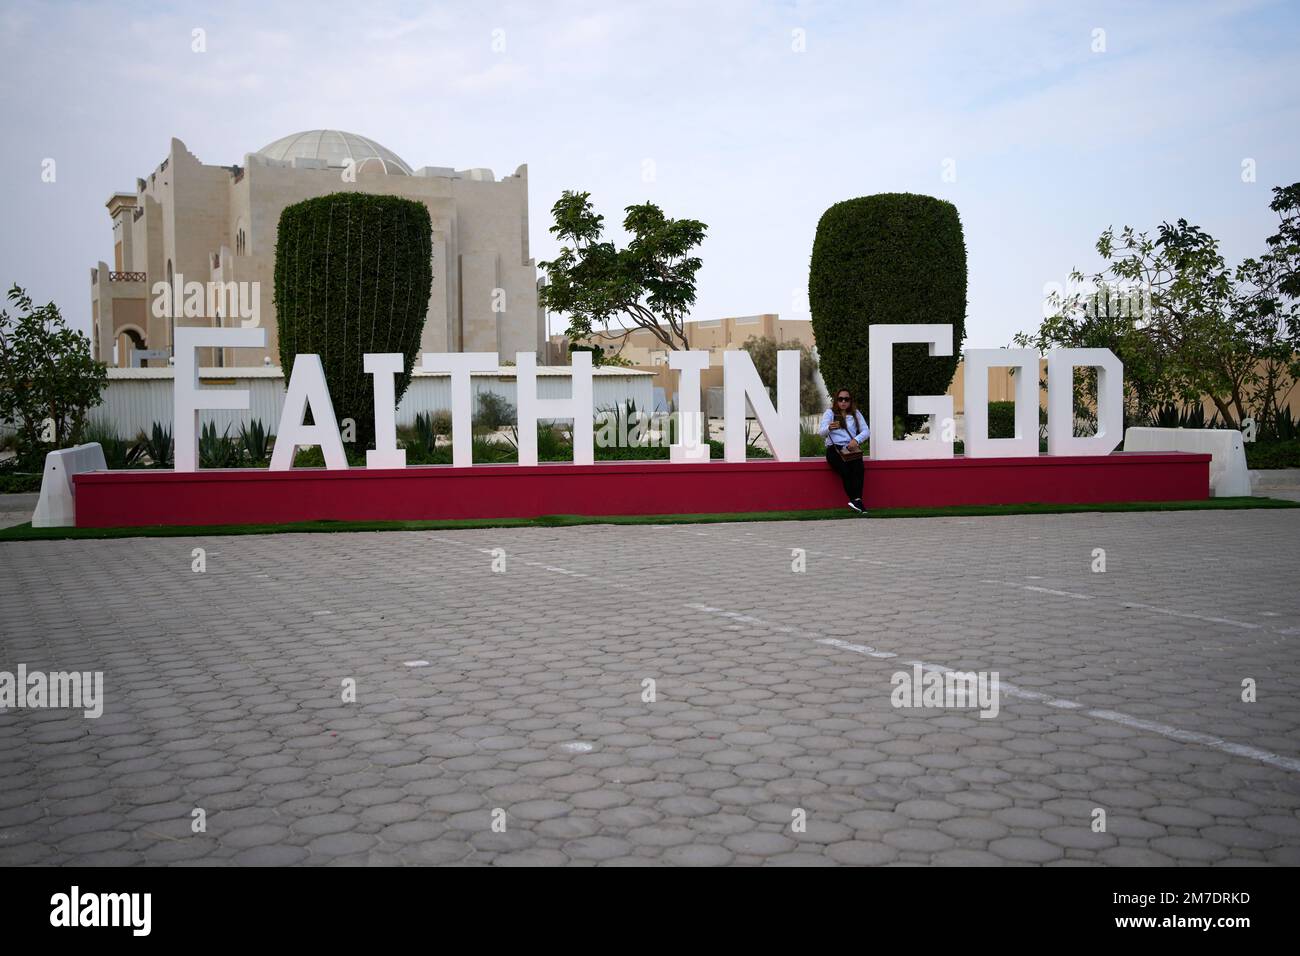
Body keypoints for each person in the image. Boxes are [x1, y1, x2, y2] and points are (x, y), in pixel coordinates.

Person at [819, 388, 869, 513]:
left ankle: (856, 501)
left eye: (846, 399)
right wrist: (829, 427)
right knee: (846, 471)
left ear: (850, 401)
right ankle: (856, 501)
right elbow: (821, 432)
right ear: (836, 400)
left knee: (859, 470)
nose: (843, 402)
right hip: (834, 449)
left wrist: (856, 440)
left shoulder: (855, 413)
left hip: (851, 448)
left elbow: (866, 431)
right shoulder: (830, 413)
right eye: (840, 399)